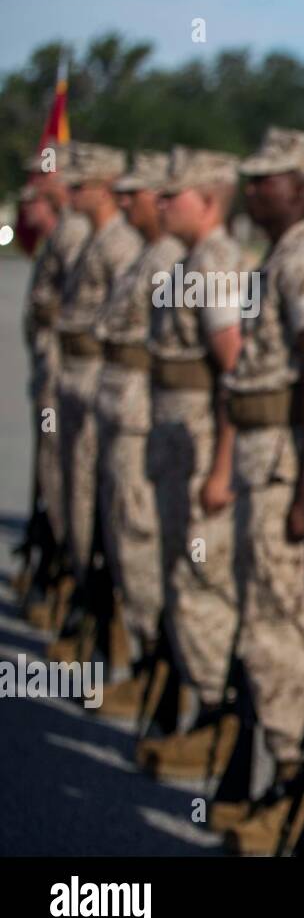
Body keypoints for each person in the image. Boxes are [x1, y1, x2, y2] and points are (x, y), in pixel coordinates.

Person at [215, 128, 304, 853]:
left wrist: (302, 483)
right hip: (263, 457)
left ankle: (293, 783)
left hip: (282, 464)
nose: (252, 188)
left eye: (266, 179)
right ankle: (283, 777)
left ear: (299, 187)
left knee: (278, 629)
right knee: (264, 619)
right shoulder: (284, 256)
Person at [136, 147, 245, 781]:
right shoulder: (191, 260)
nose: (158, 203)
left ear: (206, 200)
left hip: (204, 440)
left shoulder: (216, 264)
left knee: (201, 583)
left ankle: (215, 717)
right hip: (177, 437)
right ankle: (202, 714)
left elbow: (235, 370)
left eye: (171, 196)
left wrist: (223, 465)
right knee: (179, 572)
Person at [93, 150, 183, 718]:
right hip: (119, 400)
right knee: (124, 533)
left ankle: (158, 660)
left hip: (145, 411)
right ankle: (144, 656)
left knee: (143, 536)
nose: (125, 202)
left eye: (140, 193)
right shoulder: (148, 252)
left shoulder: (170, 258)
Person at [53, 143, 141, 635]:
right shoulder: (93, 239)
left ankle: (117, 629)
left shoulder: (119, 245)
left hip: (103, 379)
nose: (70, 192)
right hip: (80, 372)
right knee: (79, 493)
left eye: (80, 185)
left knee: (104, 504)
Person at [19, 153, 90, 630]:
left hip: (74, 376)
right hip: (56, 368)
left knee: (72, 489)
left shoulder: (79, 235)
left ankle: (68, 580)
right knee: (53, 474)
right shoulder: (65, 234)